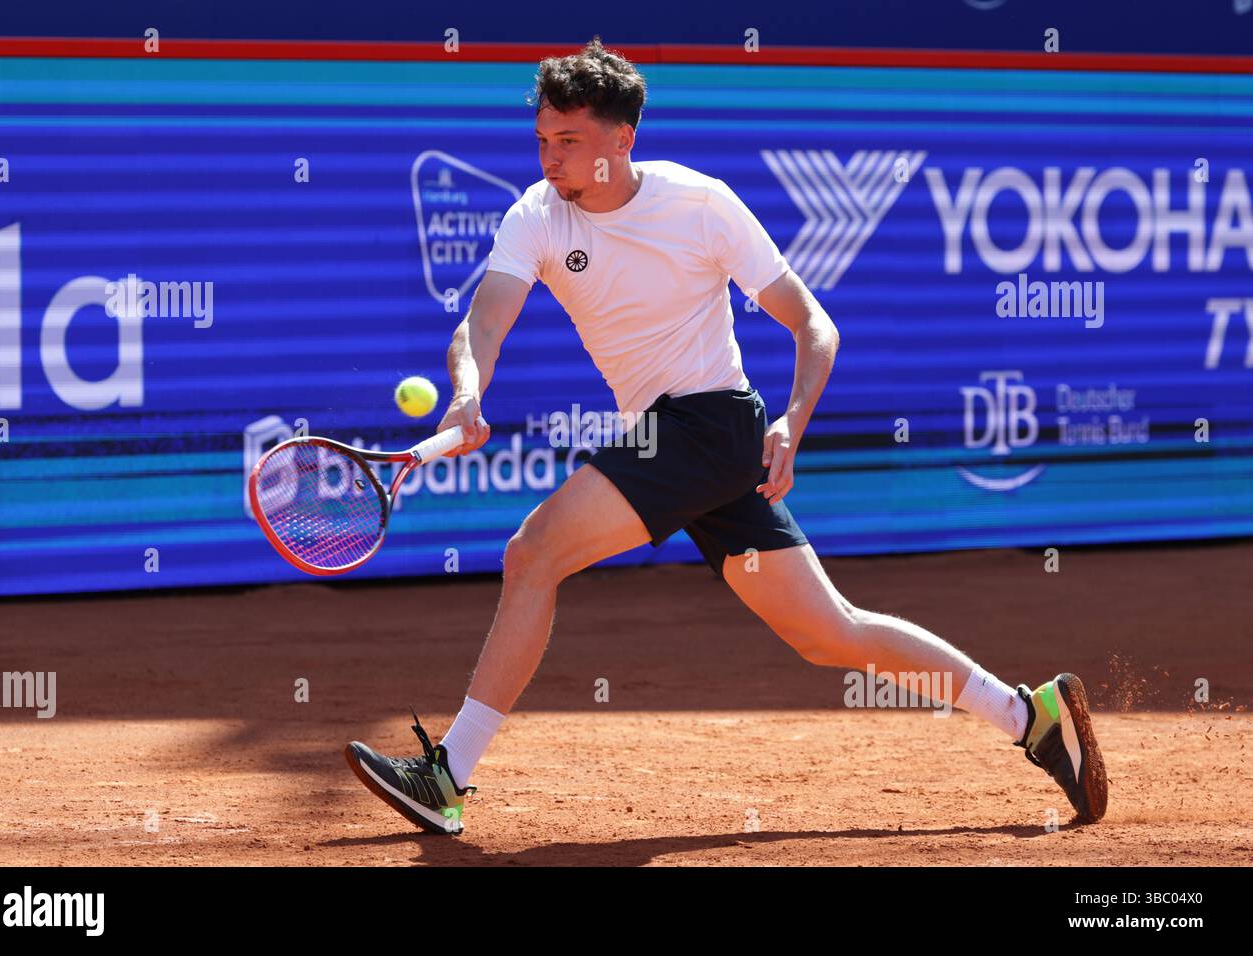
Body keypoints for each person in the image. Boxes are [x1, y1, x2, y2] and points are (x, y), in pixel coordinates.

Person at [344, 37, 1108, 835]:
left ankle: (449, 774)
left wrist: (794, 419)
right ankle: (1033, 717)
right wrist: (468, 392)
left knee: (533, 553)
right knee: (829, 634)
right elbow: (484, 321)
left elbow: (814, 325)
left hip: (709, 425)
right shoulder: (535, 215)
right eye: (542, 139)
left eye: (569, 141)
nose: (551, 158)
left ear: (621, 139)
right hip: (679, 442)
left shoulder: (699, 204)